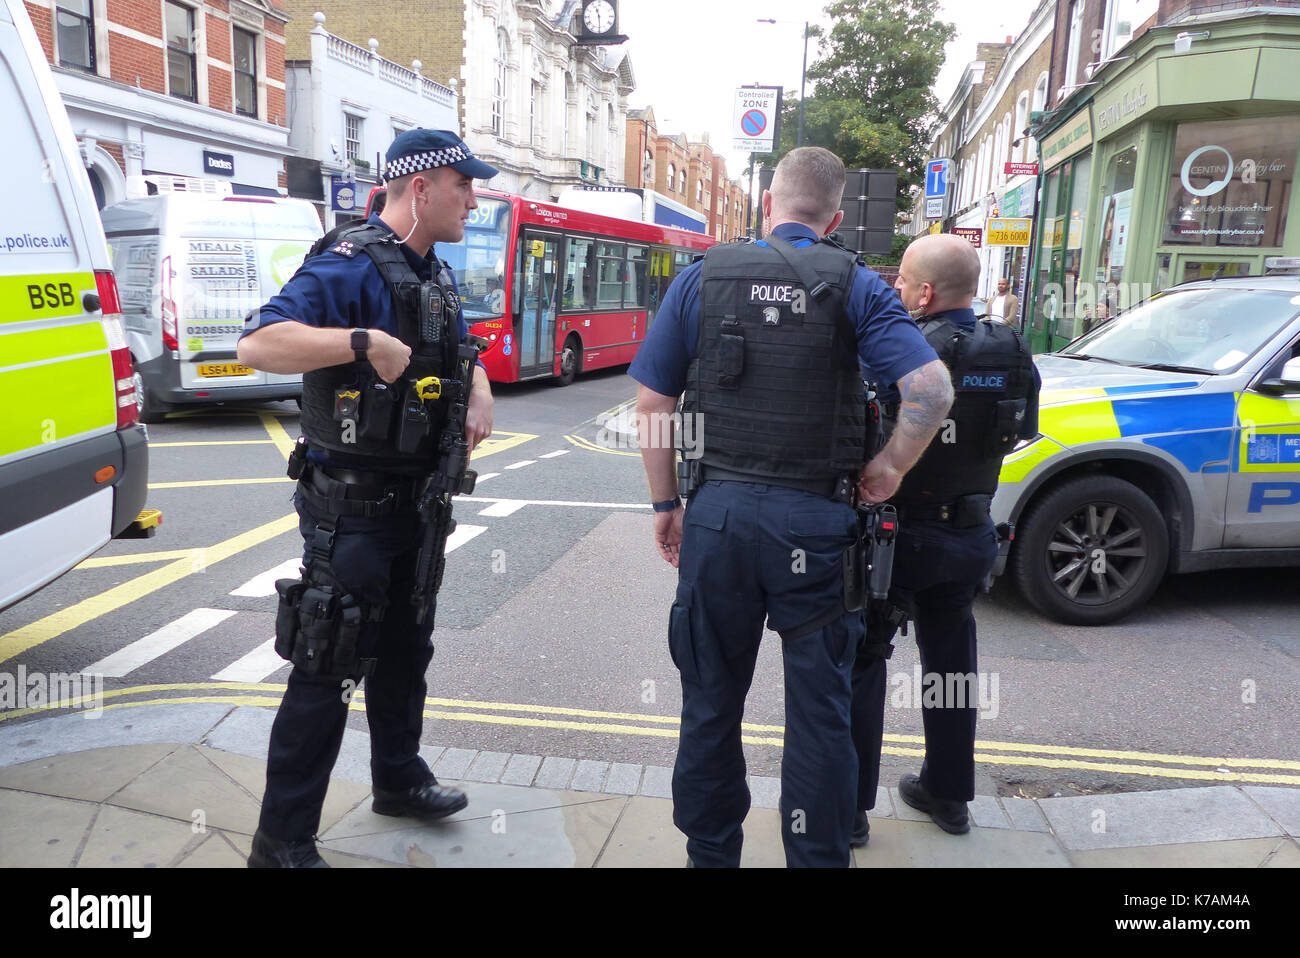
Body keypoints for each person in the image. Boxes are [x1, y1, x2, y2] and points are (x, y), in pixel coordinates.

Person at [629, 146, 954, 868]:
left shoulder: (703, 277)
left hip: (719, 518)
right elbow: (931, 389)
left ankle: (711, 856)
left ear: (768, 204)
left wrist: (665, 501)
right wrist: (891, 466)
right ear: (835, 217)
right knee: (819, 718)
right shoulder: (858, 286)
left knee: (710, 705)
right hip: (819, 524)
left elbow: (654, 403)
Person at [236, 129, 497, 868]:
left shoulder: (435, 274)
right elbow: (260, 343)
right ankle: (281, 841)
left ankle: (399, 778)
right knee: (330, 654)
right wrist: (360, 343)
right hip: (350, 510)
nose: (472, 198)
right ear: (422, 188)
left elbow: (461, 346)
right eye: (463, 184)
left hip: (420, 505)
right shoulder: (349, 262)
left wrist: (475, 387)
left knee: (407, 649)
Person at [851, 234, 1039, 841]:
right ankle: (949, 796)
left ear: (925, 292)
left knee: (865, 660)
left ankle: (851, 809)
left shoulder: (902, 350)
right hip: (969, 531)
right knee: (951, 666)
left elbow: (865, 434)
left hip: (894, 535)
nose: (897, 292)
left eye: (903, 282)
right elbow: (1019, 432)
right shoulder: (1011, 347)